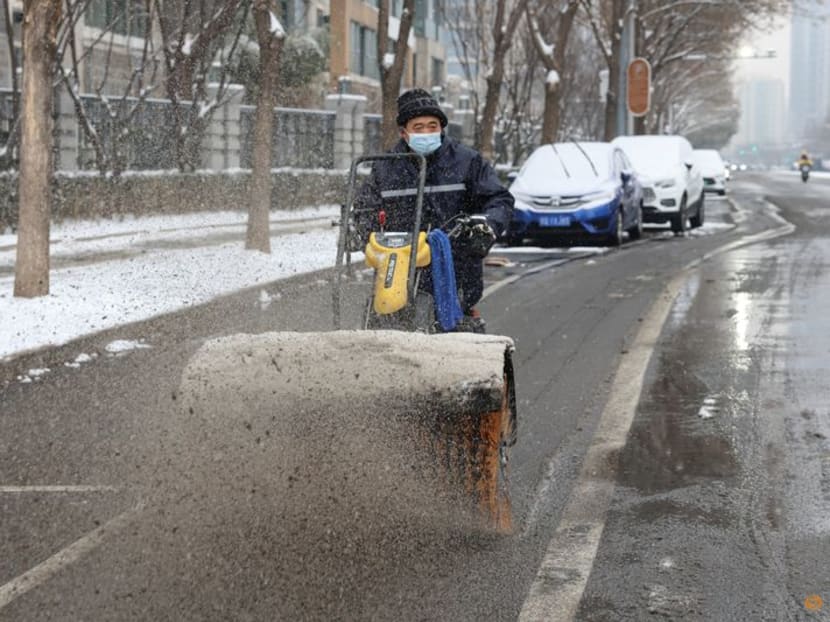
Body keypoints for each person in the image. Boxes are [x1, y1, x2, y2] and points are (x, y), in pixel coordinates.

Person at [352, 88, 514, 330]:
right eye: (418, 127)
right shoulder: (386, 168)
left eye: (432, 125)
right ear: (404, 133)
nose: (427, 132)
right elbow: (365, 209)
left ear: (441, 128)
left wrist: (486, 224)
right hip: (397, 274)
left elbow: (499, 200)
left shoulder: (467, 162)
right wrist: (365, 230)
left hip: (456, 270)